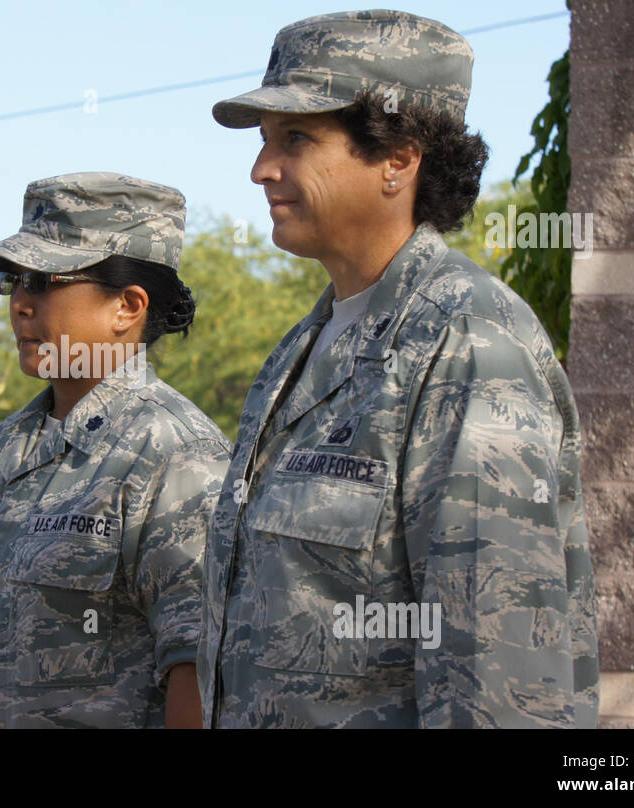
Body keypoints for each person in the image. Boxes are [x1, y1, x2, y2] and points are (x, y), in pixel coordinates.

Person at [196, 11, 599, 728]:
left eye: (296, 138)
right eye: (264, 142)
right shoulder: (297, 352)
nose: (262, 169)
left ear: (398, 159)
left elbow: (495, 683)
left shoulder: (470, 342)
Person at [0, 172, 231, 728]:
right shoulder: (1, 452)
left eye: (44, 280)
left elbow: (197, 671)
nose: (21, 304)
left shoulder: (176, 454)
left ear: (127, 305)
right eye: (14, 281)